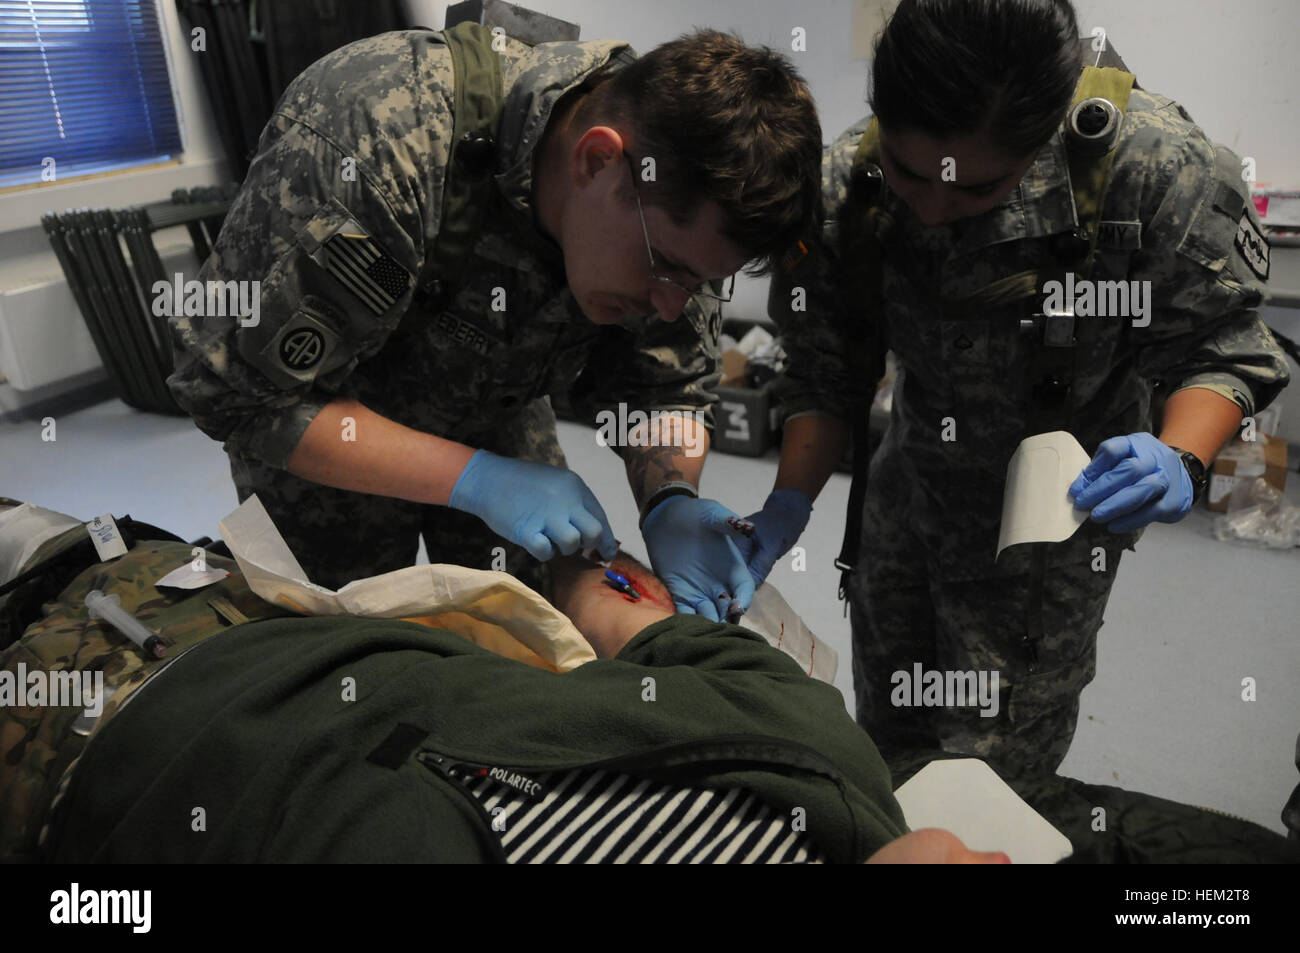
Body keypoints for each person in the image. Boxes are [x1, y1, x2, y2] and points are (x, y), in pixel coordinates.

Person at [727, 0, 1291, 775]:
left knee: (994, 776)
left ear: (1042, 137)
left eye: (973, 188)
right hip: (910, 504)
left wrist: (1178, 457)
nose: (930, 205)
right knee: (886, 743)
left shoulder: (1153, 170)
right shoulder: (850, 184)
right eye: (910, 172)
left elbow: (1221, 348)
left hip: (1049, 535)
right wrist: (787, 503)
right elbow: (826, 372)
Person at [28, 541, 1298, 864]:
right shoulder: (813, 740)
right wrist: (615, 566)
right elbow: (610, 599)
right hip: (226, 601)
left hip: (82, 761)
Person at [167, 25, 821, 613]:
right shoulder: (377, 141)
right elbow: (238, 395)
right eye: (668, 270)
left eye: (702, 282)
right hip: (330, 426)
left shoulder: (680, 210)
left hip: (496, 405)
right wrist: (472, 479)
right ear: (597, 160)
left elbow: (665, 386)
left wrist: (670, 497)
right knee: (336, 652)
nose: (674, 302)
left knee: (526, 637)